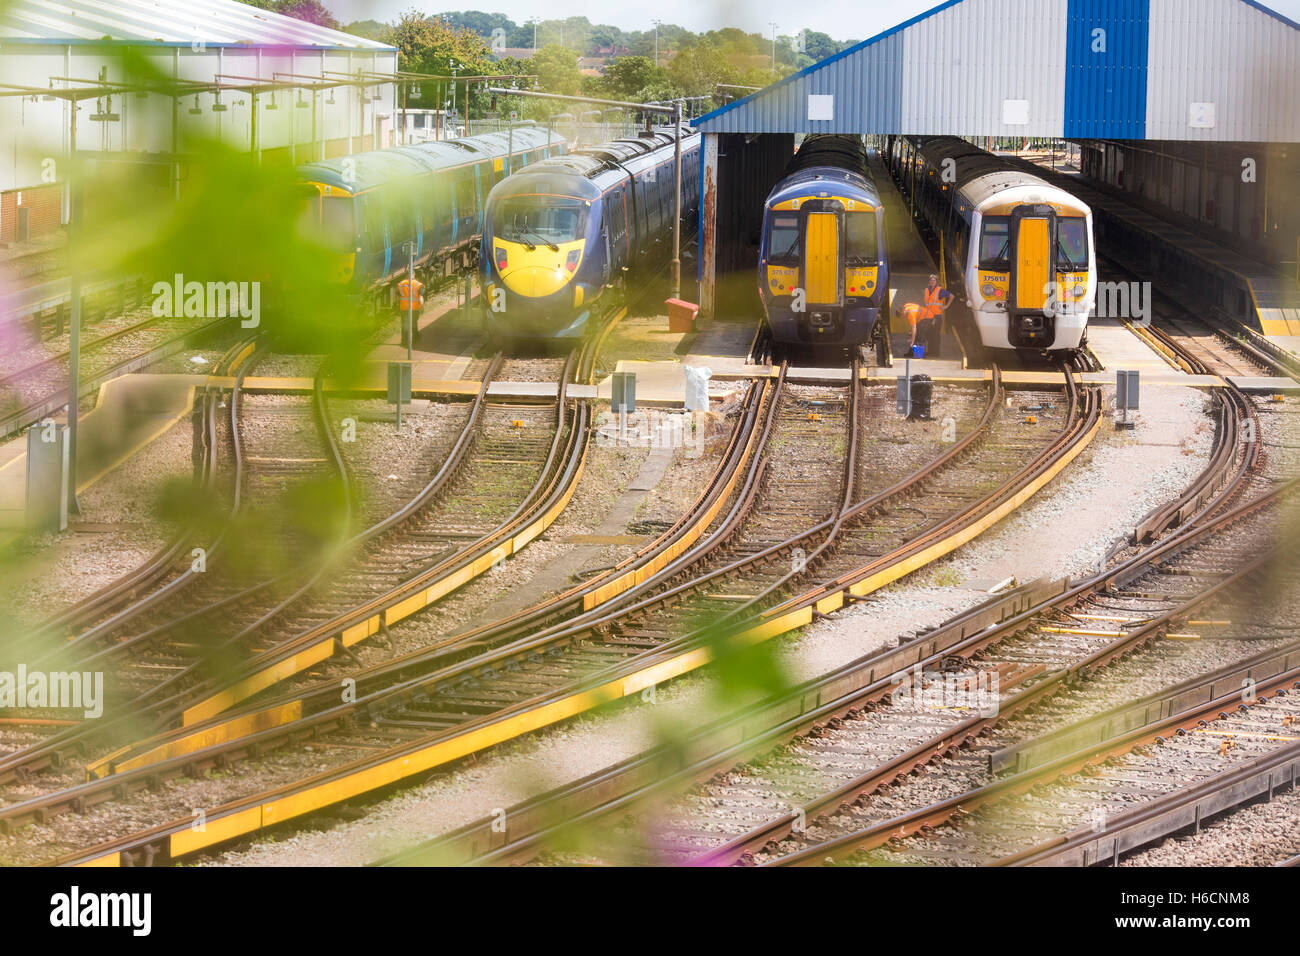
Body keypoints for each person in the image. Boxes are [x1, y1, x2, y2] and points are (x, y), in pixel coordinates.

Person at [922, 273, 954, 355]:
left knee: (935, 335)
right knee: (929, 335)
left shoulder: (940, 290)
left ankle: (935, 353)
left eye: (934, 280)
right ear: (929, 282)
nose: (932, 282)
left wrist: (946, 306)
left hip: (937, 317)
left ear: (937, 282)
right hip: (928, 317)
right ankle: (930, 352)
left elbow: (951, 296)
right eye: (931, 280)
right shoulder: (927, 290)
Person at [398, 275, 424, 349]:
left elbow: (399, 295)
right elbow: (420, 297)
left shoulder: (401, 284)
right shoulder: (418, 284)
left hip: (404, 308)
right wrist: (422, 307)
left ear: (406, 276)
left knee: (404, 324)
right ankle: (415, 339)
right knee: (414, 323)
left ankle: (404, 341)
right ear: (414, 275)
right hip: (414, 308)